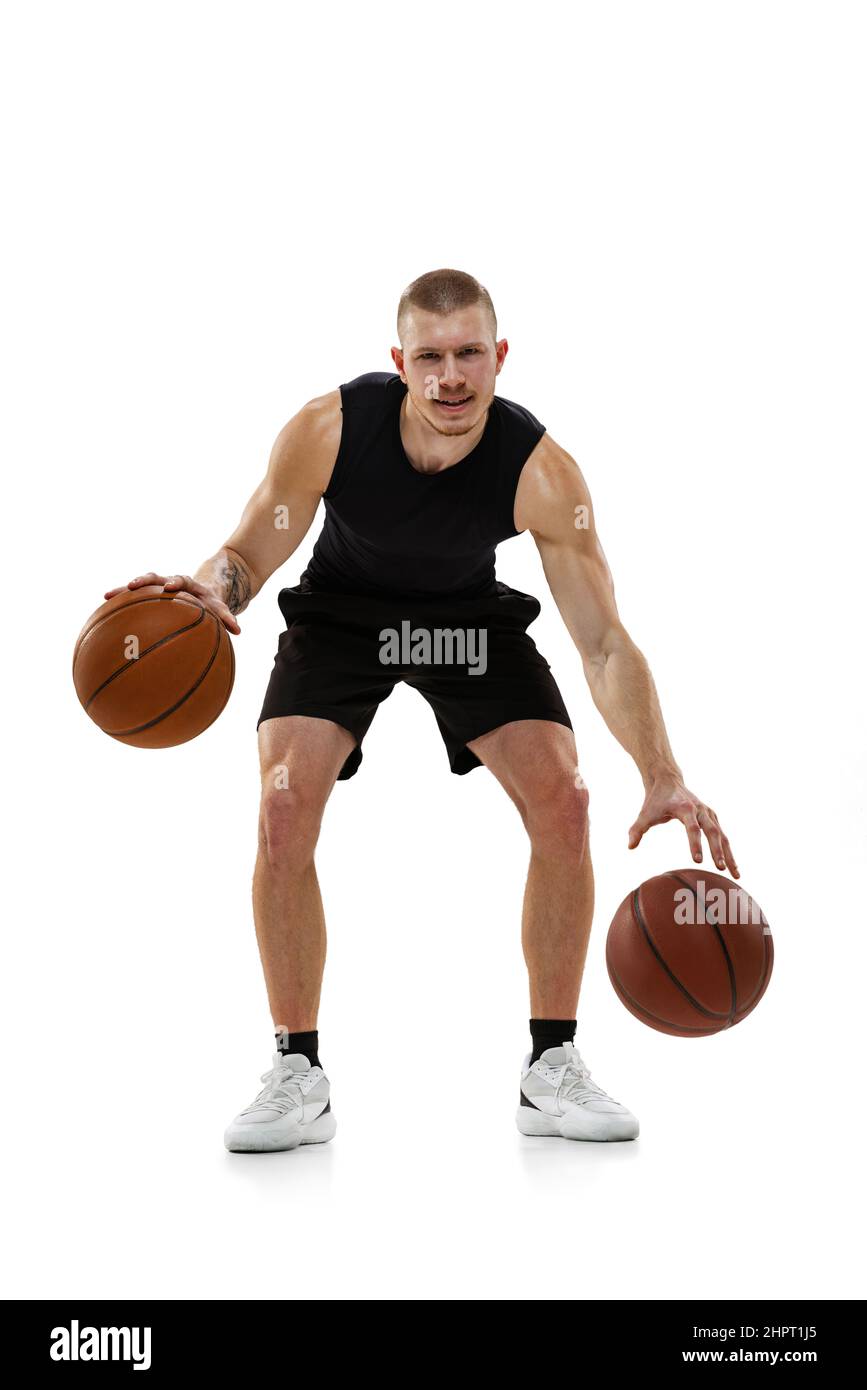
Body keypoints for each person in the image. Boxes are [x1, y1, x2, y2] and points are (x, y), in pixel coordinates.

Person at [106, 268, 738, 1151]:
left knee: (567, 801)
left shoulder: (542, 473)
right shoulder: (328, 429)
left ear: (499, 357)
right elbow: (252, 546)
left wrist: (662, 774)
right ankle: (297, 1072)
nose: (451, 378)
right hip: (341, 619)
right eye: (431, 357)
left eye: (469, 354)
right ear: (399, 361)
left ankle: (549, 1068)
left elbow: (602, 641)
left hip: (463, 623)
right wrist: (208, 594)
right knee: (283, 804)